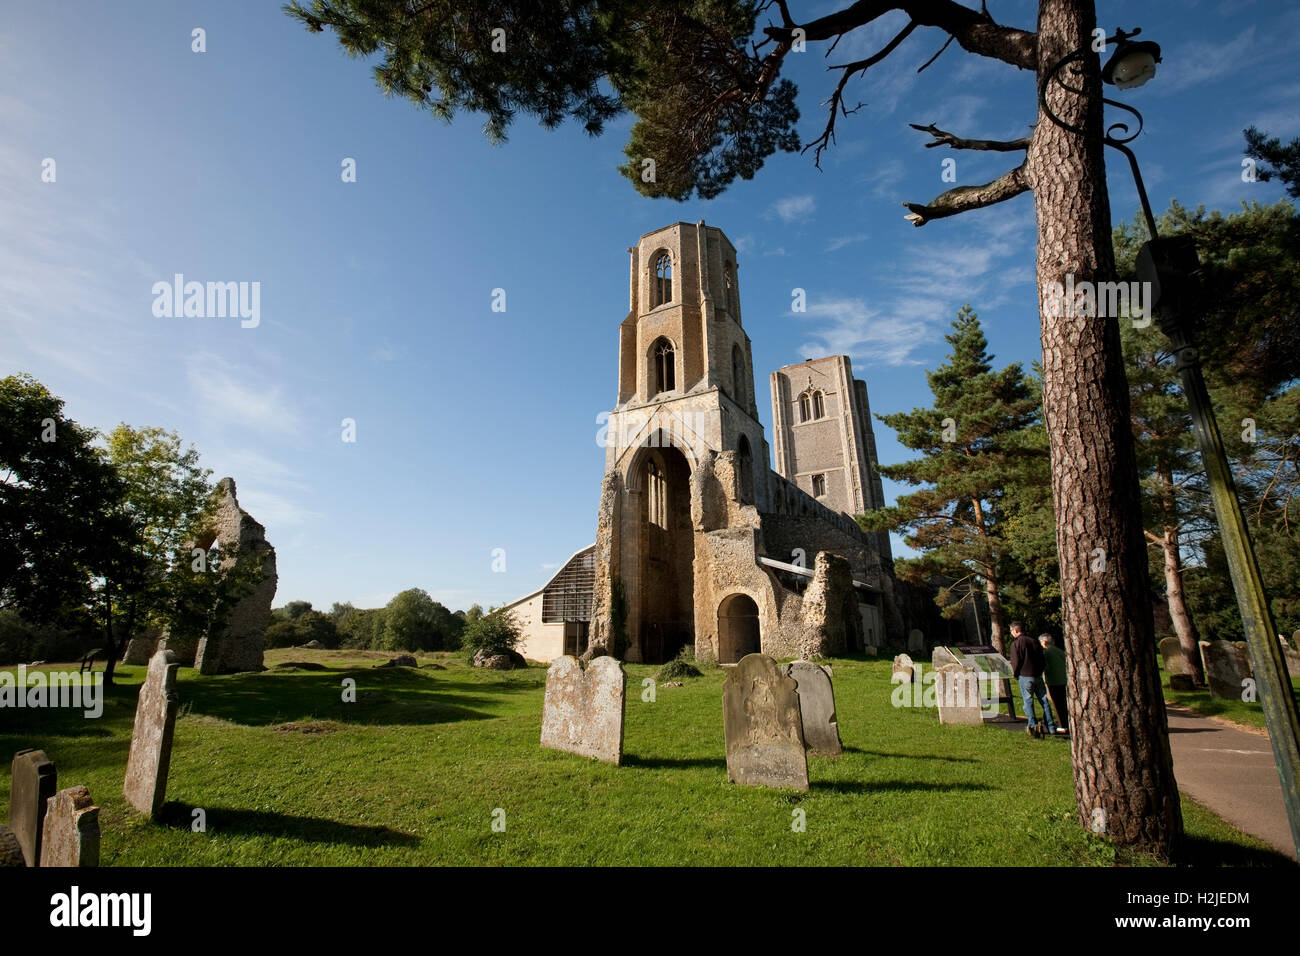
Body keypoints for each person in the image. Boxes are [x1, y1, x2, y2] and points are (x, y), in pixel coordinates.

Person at [1008, 621, 1058, 738]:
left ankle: (1033, 724)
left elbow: (1015, 661)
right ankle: (1051, 726)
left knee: (1028, 701)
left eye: (1011, 631)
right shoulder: (1034, 641)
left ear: (1016, 630)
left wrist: (1015, 674)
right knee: (1044, 700)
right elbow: (1041, 658)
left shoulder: (1016, 644)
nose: (1011, 633)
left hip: (1025, 675)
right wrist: (1039, 671)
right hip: (1037, 675)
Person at [1039, 633, 1069, 735]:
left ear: (1044, 642)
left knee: (1057, 704)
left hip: (1054, 680)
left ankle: (1062, 725)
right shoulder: (1058, 650)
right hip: (1064, 679)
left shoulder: (1046, 652)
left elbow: (1046, 666)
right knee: (1064, 702)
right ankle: (1067, 723)